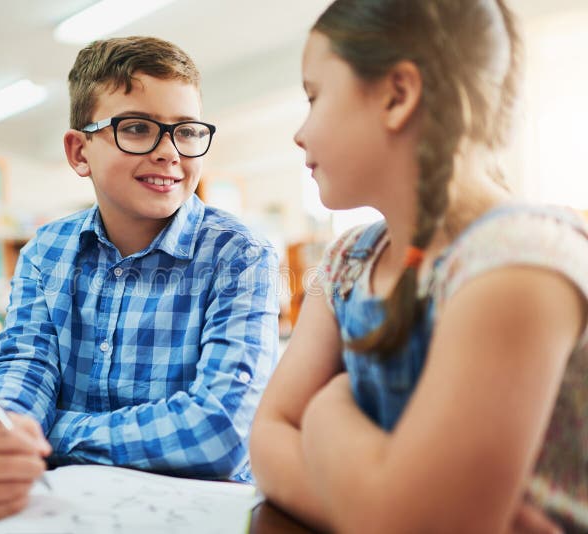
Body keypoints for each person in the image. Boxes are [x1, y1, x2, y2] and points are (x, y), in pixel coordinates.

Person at [249, 1, 588, 532]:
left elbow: (416, 524)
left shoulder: (519, 263)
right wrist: (374, 507)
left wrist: (323, 412)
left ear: (397, 95)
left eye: (314, 97)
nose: (300, 132)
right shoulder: (347, 263)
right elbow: (267, 440)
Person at [0, 36, 279, 524]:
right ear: (79, 151)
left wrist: (52, 434)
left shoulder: (239, 255)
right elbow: (24, 365)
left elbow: (220, 430)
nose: (169, 152)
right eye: (136, 128)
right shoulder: (46, 253)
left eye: (187, 131)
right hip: (65, 509)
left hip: (197, 513)